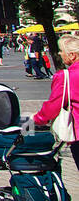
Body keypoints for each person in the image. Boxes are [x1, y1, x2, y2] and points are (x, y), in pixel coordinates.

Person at [31, 34, 79, 173]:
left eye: (61, 51)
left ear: (72, 55)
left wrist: (36, 119)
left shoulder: (66, 77)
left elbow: (53, 107)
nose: (59, 53)